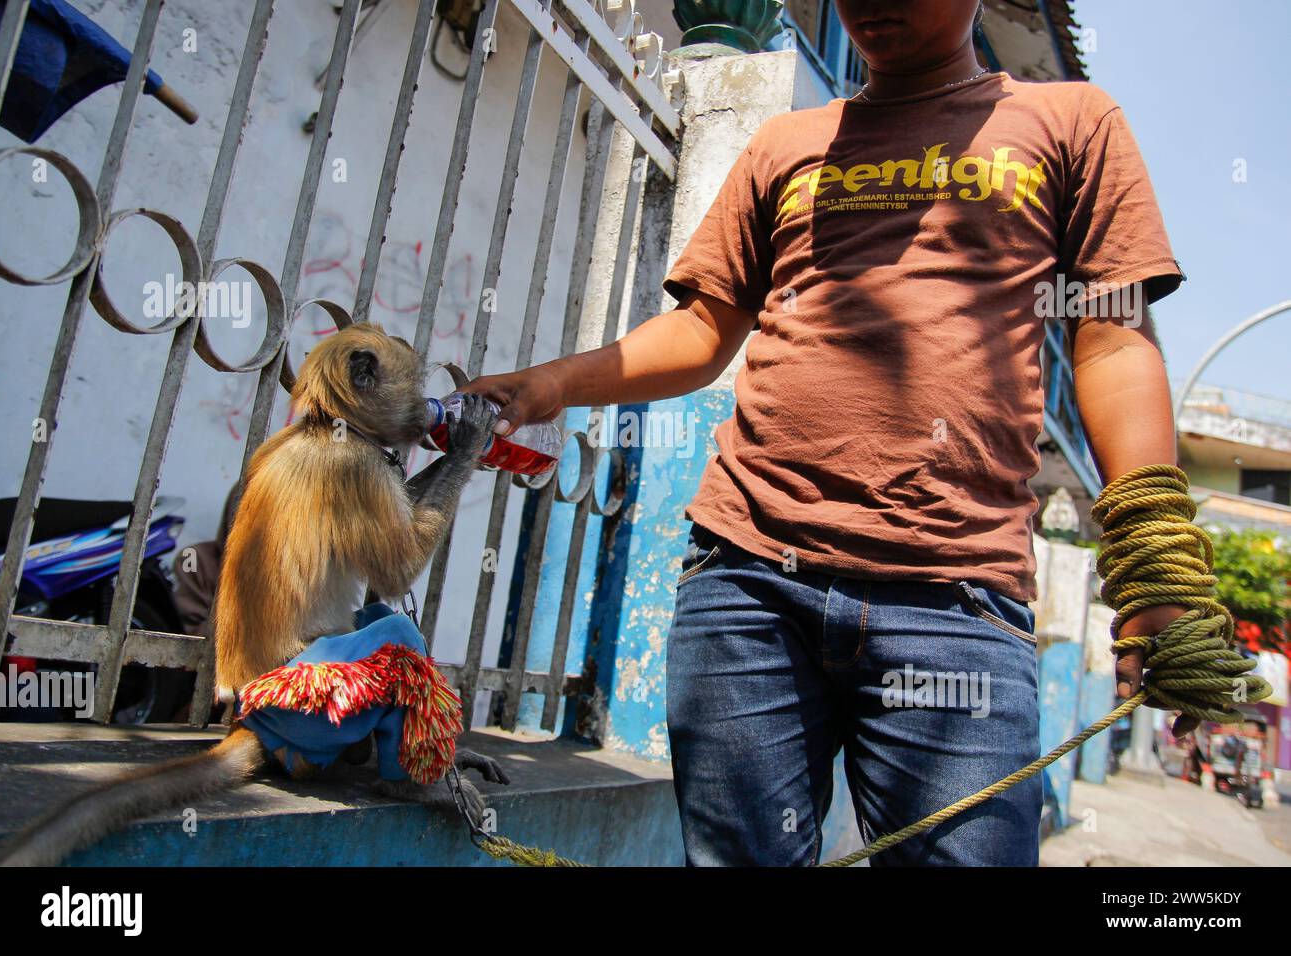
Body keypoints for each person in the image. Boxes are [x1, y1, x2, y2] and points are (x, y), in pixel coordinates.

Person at [461, 0, 1191, 865]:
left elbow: (1111, 343)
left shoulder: (1072, 121)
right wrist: (553, 384)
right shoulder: (785, 143)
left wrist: (1153, 567)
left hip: (953, 596)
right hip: (747, 583)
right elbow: (702, 333)